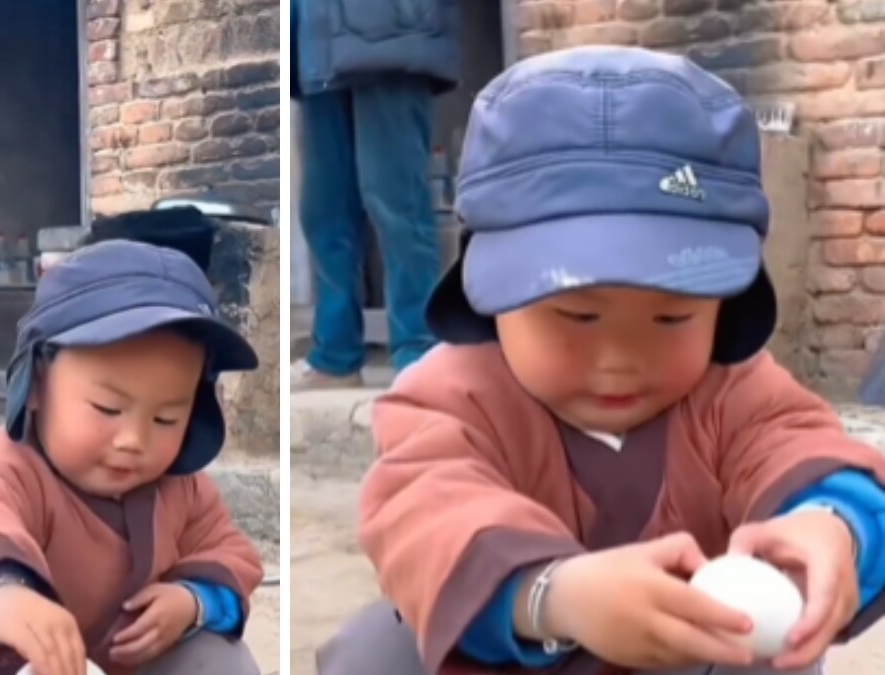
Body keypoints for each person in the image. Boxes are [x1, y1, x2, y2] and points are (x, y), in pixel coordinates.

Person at [316, 46, 885, 675]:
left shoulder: (733, 391)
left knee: (774, 640)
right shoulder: (447, 398)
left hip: (694, 652)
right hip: (515, 652)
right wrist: (555, 594)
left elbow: (801, 449)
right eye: (576, 315)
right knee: (376, 652)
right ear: (489, 289)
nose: (620, 359)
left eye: (672, 317)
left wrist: (833, 525)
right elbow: (423, 511)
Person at [0, 240, 264, 675]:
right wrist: (0, 598)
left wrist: (193, 603)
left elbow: (233, 554)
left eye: (167, 418)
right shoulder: (6, 470)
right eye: (108, 409)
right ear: (37, 384)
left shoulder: (182, 489)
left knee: (221, 658)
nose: (134, 439)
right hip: (12, 666)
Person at [290, 0, 459, 390]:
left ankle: (418, 351)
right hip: (315, 39)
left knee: (396, 202)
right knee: (324, 211)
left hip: (388, 31)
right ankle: (335, 356)